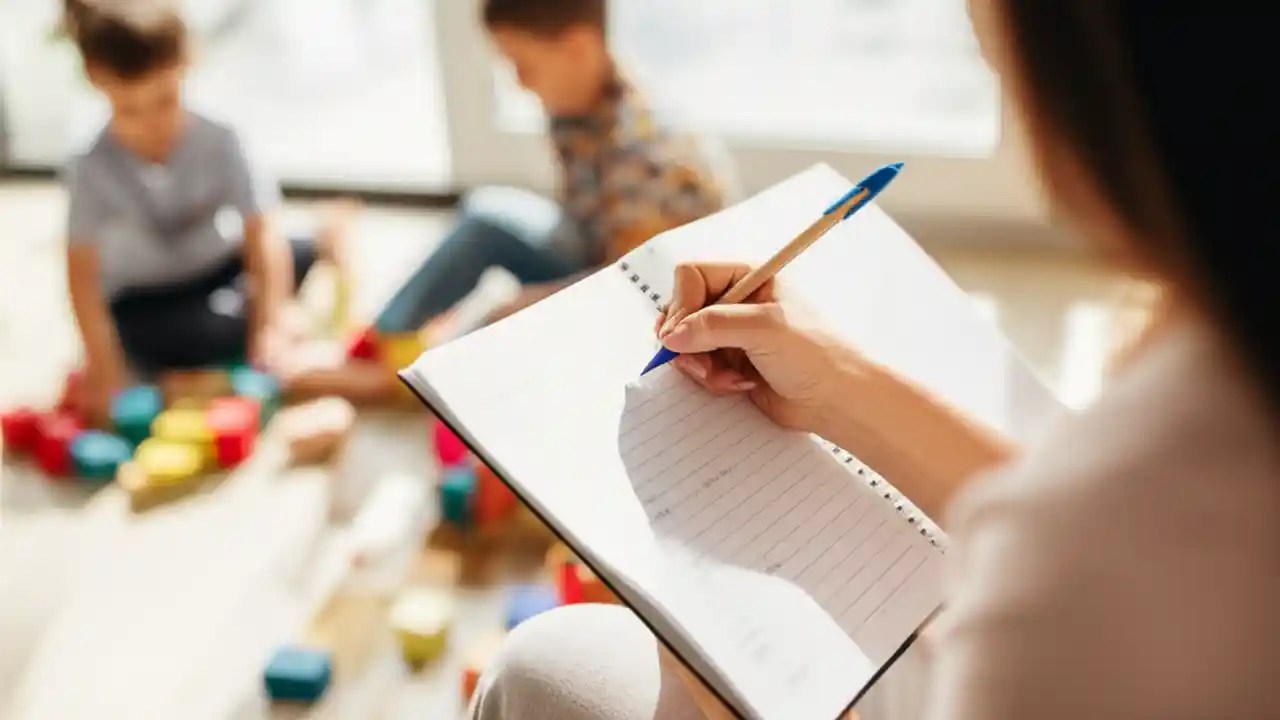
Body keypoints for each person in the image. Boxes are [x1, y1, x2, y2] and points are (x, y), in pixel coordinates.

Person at [470, 3, 1279, 719]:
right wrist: (837, 386)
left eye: (993, 55)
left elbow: (1084, 558)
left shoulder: (1078, 569)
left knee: (537, 668)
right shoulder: (1217, 373)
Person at [61, 0, 344, 424]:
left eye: (165, 100)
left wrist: (269, 324)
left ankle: (327, 238)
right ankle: (252, 305)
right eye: (131, 110)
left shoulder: (221, 138)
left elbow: (260, 232)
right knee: (185, 336)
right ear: (96, 82)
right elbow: (81, 273)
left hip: (218, 265)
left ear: (187, 64)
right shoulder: (90, 165)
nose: (151, 123)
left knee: (290, 254)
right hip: (146, 298)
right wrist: (105, 366)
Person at [373, 0, 729, 336]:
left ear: (577, 48)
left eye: (523, 66)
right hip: (593, 243)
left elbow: (633, 287)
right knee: (486, 213)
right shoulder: (576, 106)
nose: (519, 82)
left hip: (647, 291)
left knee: (494, 313)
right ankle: (385, 336)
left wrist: (527, 304)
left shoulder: (645, 159)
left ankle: (392, 361)